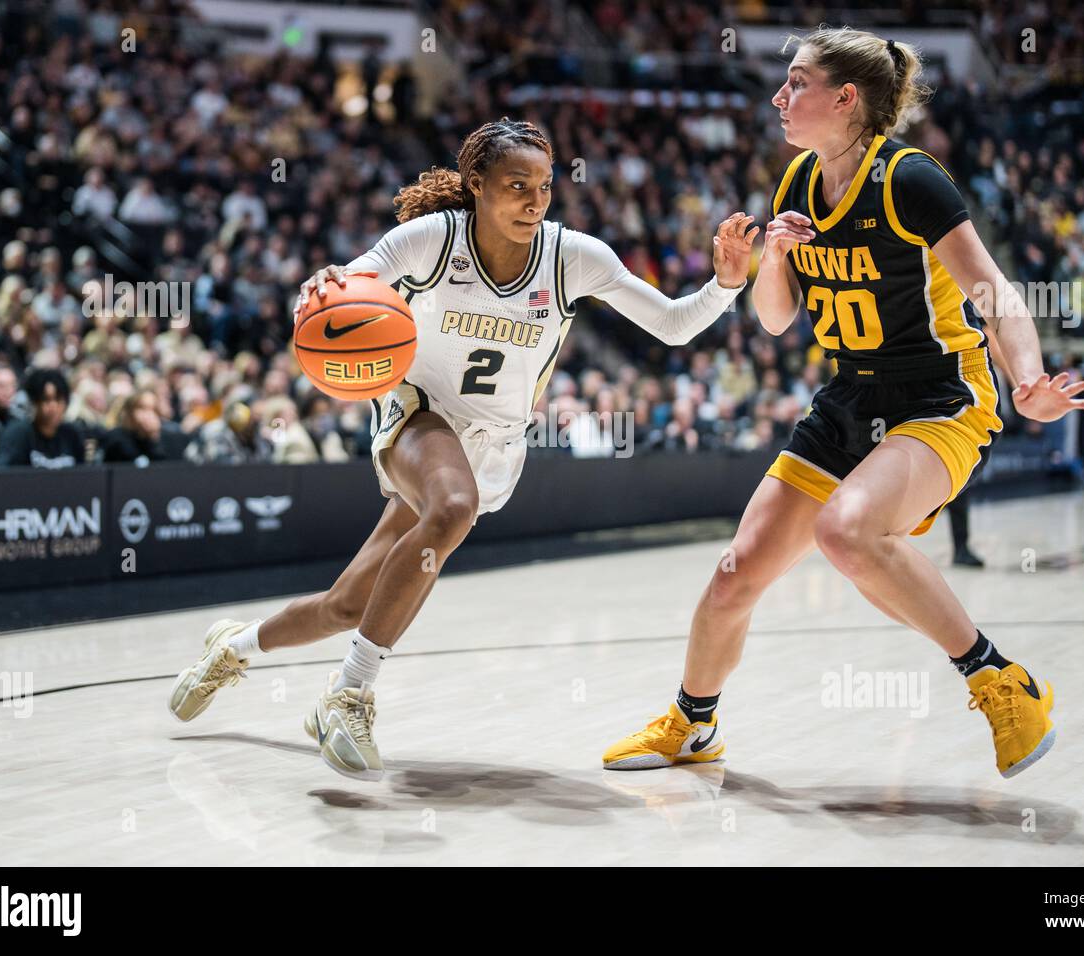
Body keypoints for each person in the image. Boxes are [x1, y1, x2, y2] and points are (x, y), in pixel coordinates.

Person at [168, 118, 758, 780]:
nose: (535, 201)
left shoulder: (572, 256)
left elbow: (674, 326)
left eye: (544, 186)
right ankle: (349, 694)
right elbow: (351, 280)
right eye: (516, 186)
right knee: (451, 507)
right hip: (417, 416)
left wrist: (727, 284)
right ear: (476, 185)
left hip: (496, 446)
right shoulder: (431, 239)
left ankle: (232, 649)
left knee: (349, 605)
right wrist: (321, 289)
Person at [602, 27, 1084, 780]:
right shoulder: (798, 183)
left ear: (846, 98)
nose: (779, 96)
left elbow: (993, 292)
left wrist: (1027, 376)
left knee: (847, 531)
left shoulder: (910, 179)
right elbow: (775, 317)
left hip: (939, 396)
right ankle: (693, 724)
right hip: (847, 397)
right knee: (738, 572)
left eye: (796, 82)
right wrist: (773, 258)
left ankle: (999, 678)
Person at [0, 368, 85, 468]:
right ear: (34, 402)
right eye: (46, 399)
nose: (53, 407)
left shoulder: (72, 434)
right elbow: (0, 475)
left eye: (58, 399)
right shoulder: (17, 434)